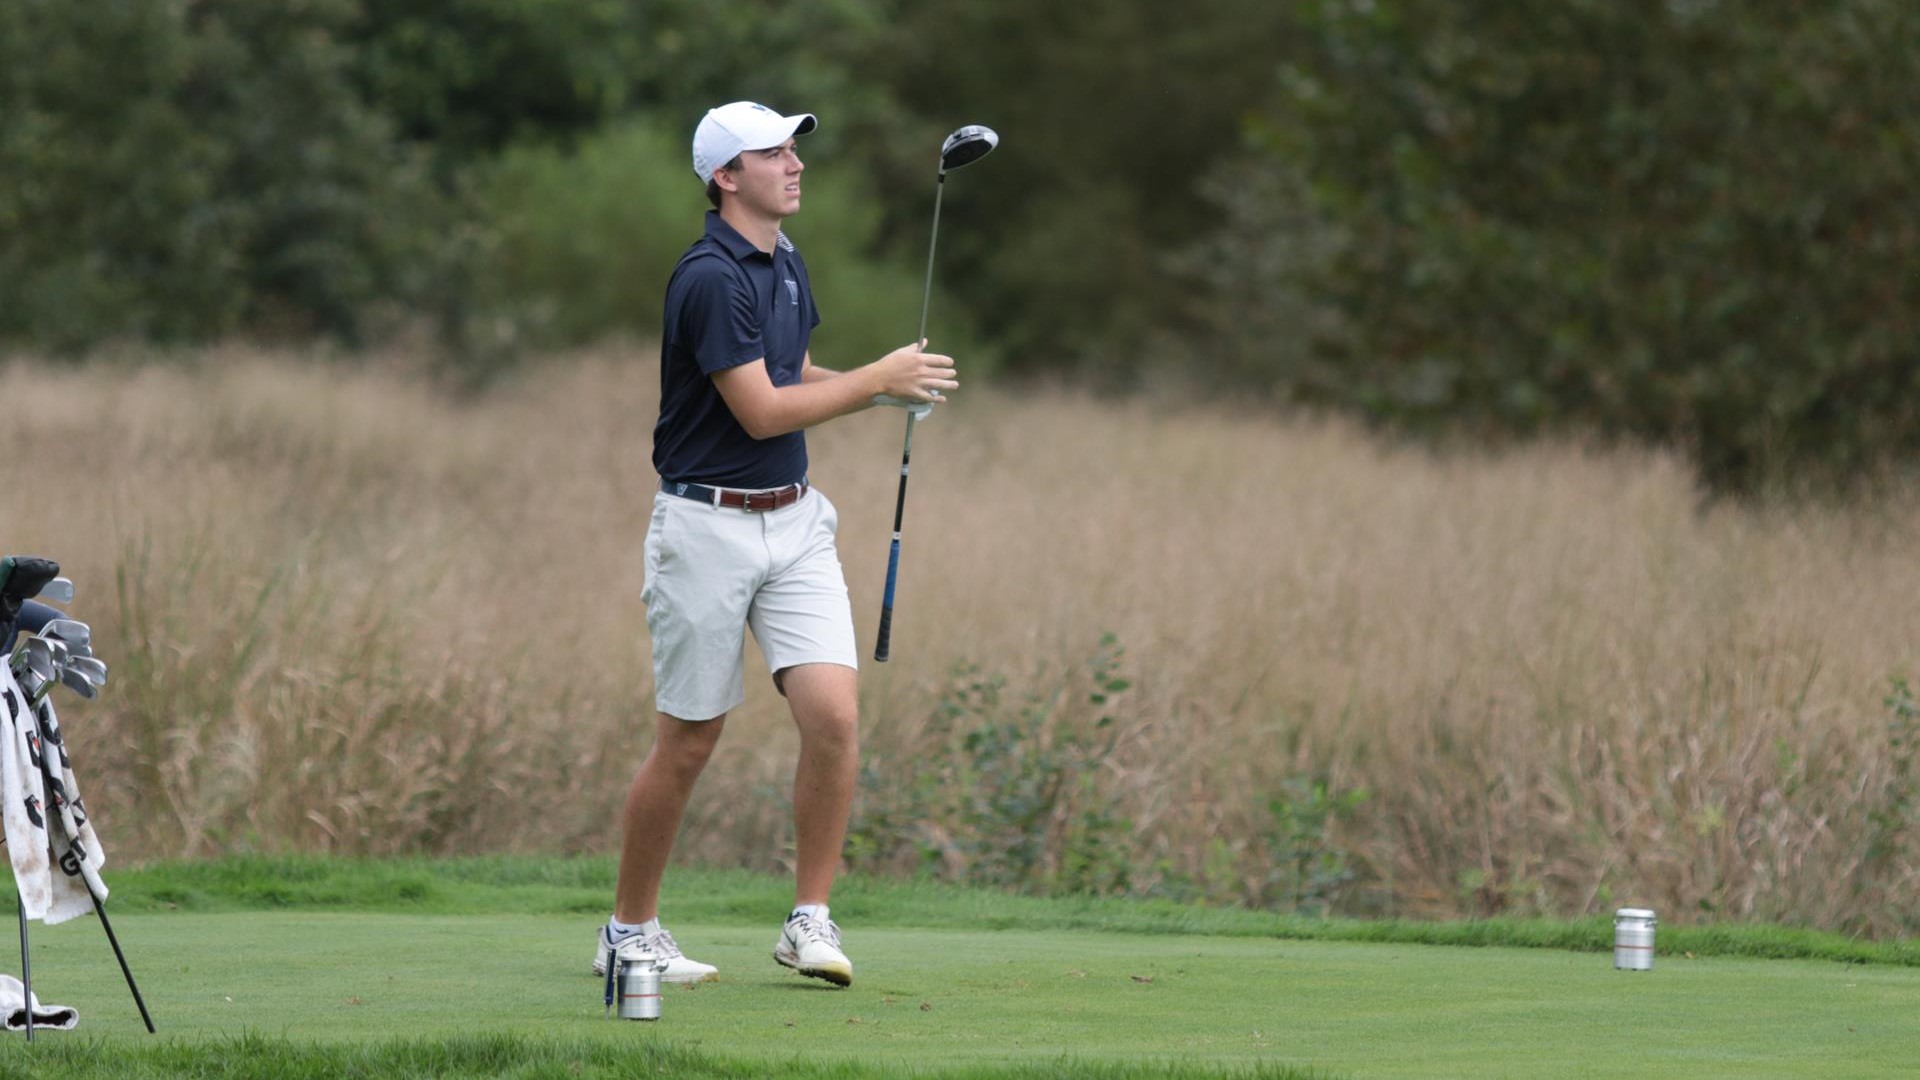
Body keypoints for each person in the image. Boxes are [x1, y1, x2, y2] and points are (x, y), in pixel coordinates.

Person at [591, 102, 957, 989]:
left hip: (794, 522)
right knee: (690, 738)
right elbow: (758, 410)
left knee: (833, 715)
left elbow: (787, 377)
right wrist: (875, 378)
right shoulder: (710, 276)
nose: (794, 164)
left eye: (795, 150)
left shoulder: (783, 260)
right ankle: (627, 931)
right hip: (705, 526)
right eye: (773, 153)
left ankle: (809, 919)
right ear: (726, 177)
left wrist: (880, 393)